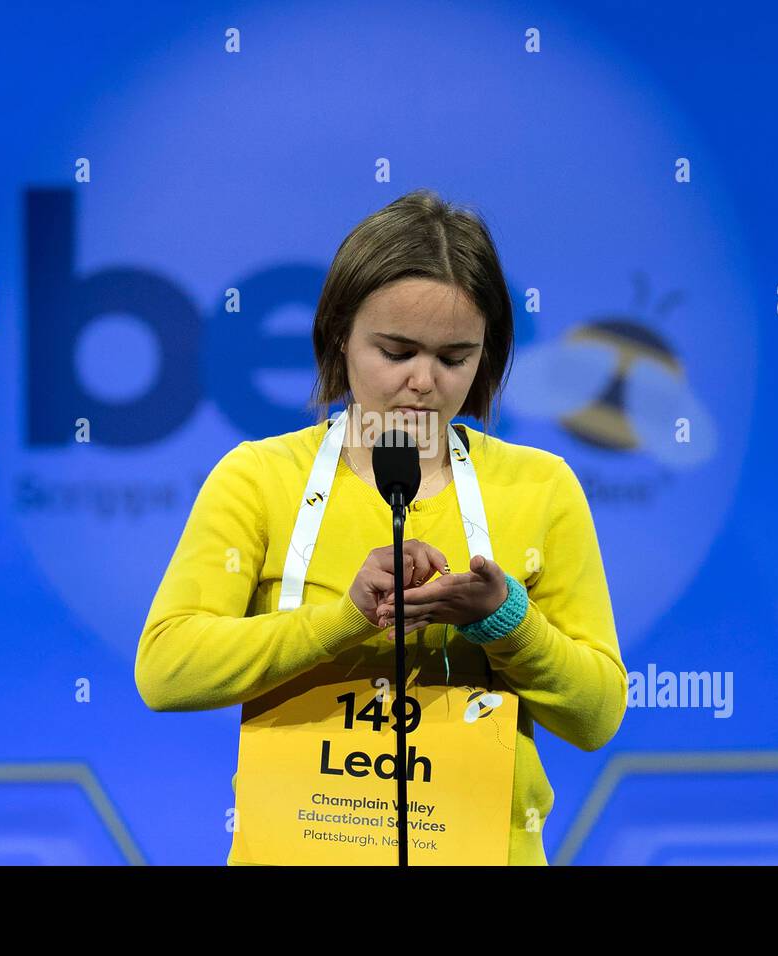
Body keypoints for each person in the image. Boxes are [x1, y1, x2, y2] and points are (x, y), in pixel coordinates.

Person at [135, 189, 627, 866]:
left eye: (455, 358)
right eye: (396, 351)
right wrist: (346, 619)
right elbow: (165, 671)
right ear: (339, 335)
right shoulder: (257, 477)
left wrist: (507, 621)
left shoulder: (542, 487)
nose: (423, 381)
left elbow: (597, 716)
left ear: (488, 355)